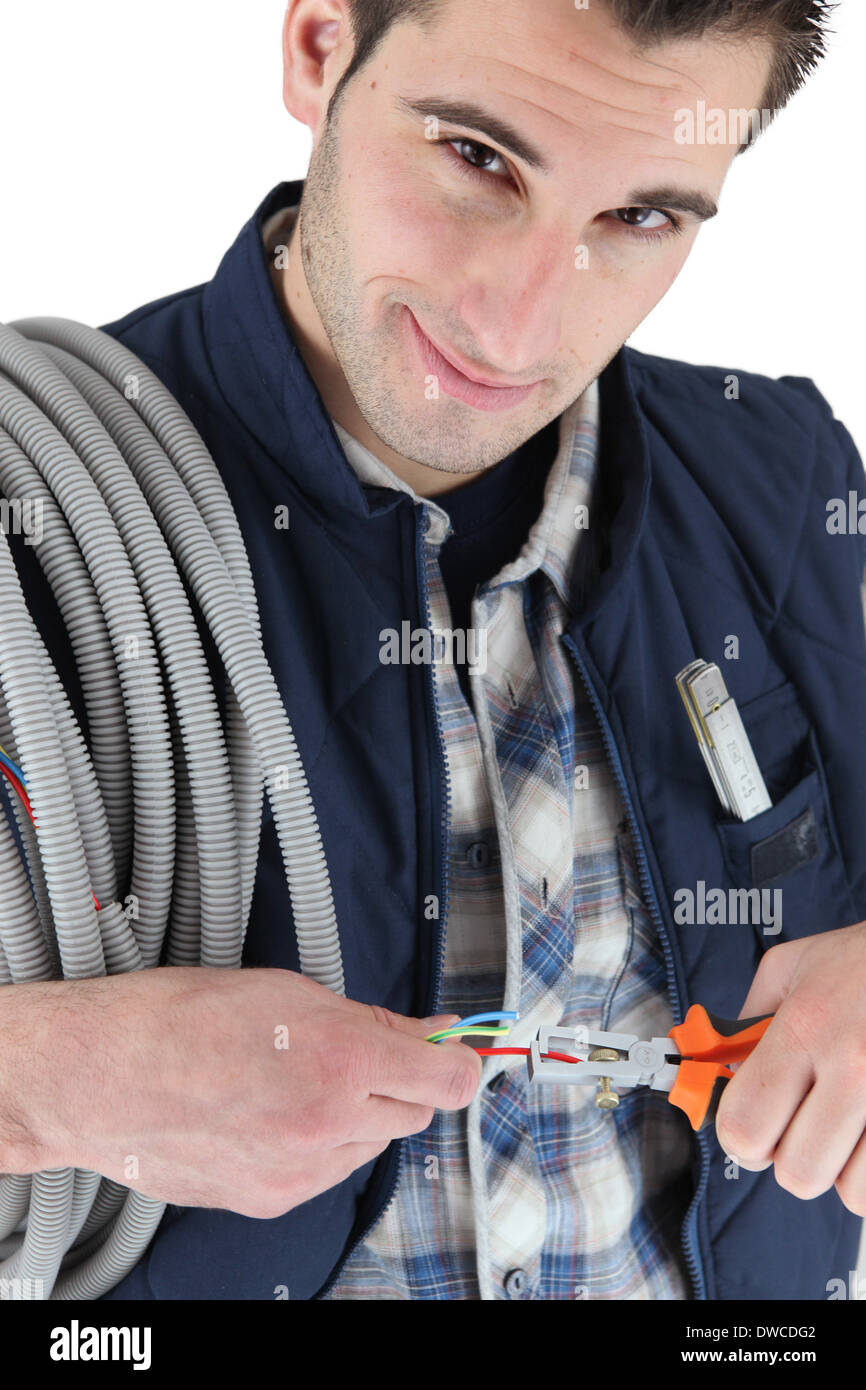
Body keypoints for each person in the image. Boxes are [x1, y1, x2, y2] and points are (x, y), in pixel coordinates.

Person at [3, 0, 865, 1301]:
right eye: (476, 157)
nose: (517, 328)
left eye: (639, 217)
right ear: (317, 50)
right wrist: (43, 1083)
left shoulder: (782, 477)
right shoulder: (36, 521)